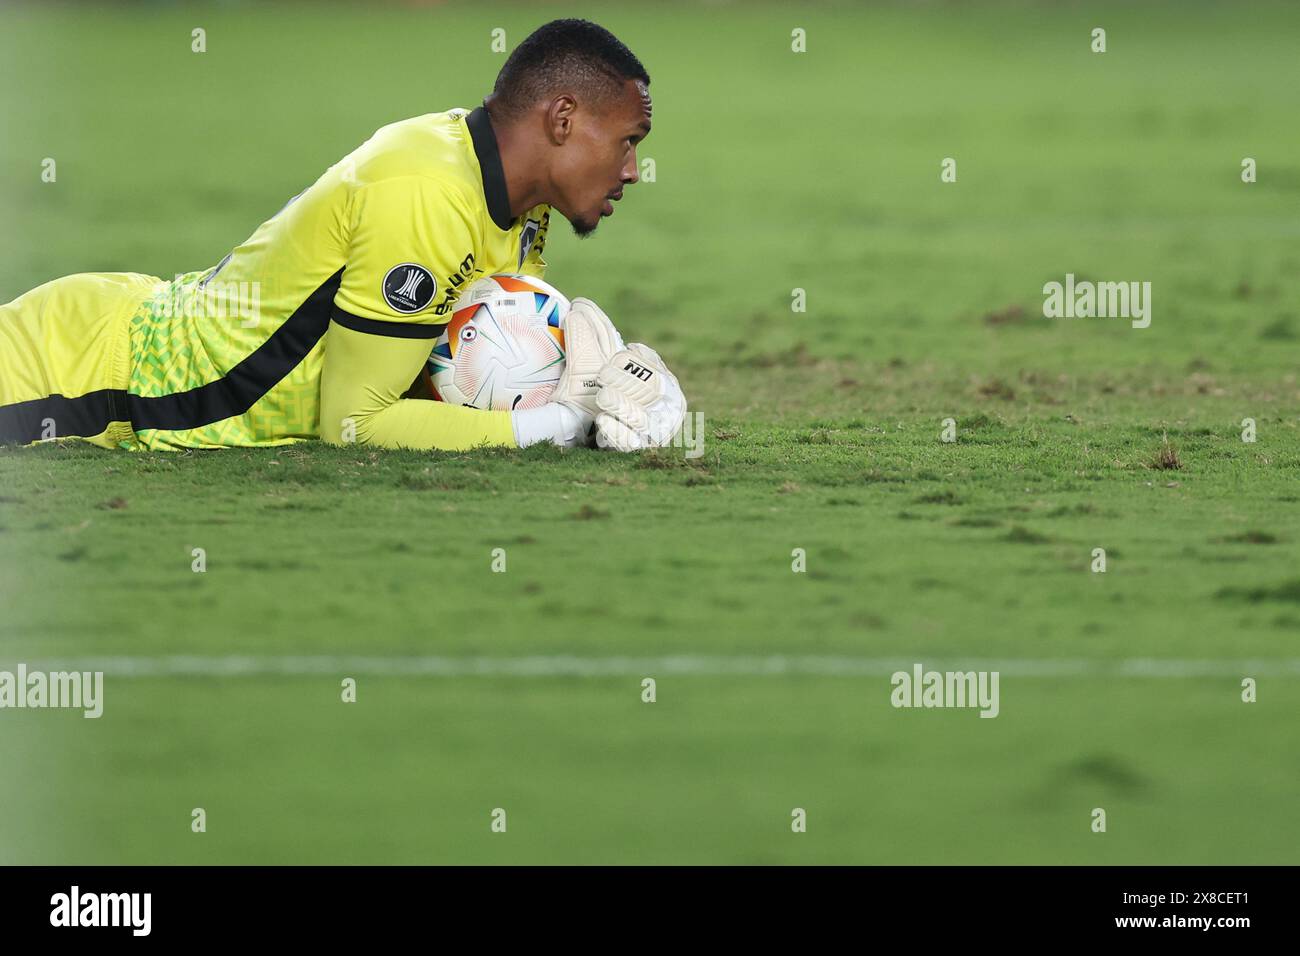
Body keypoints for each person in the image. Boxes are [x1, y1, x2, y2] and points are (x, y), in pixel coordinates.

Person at [0, 18, 683, 453]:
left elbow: (443, 370)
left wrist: (600, 385)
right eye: (628, 141)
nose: (632, 169)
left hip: (119, 326)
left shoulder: (513, 198)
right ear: (562, 119)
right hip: (85, 381)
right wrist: (561, 427)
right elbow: (356, 424)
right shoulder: (427, 196)